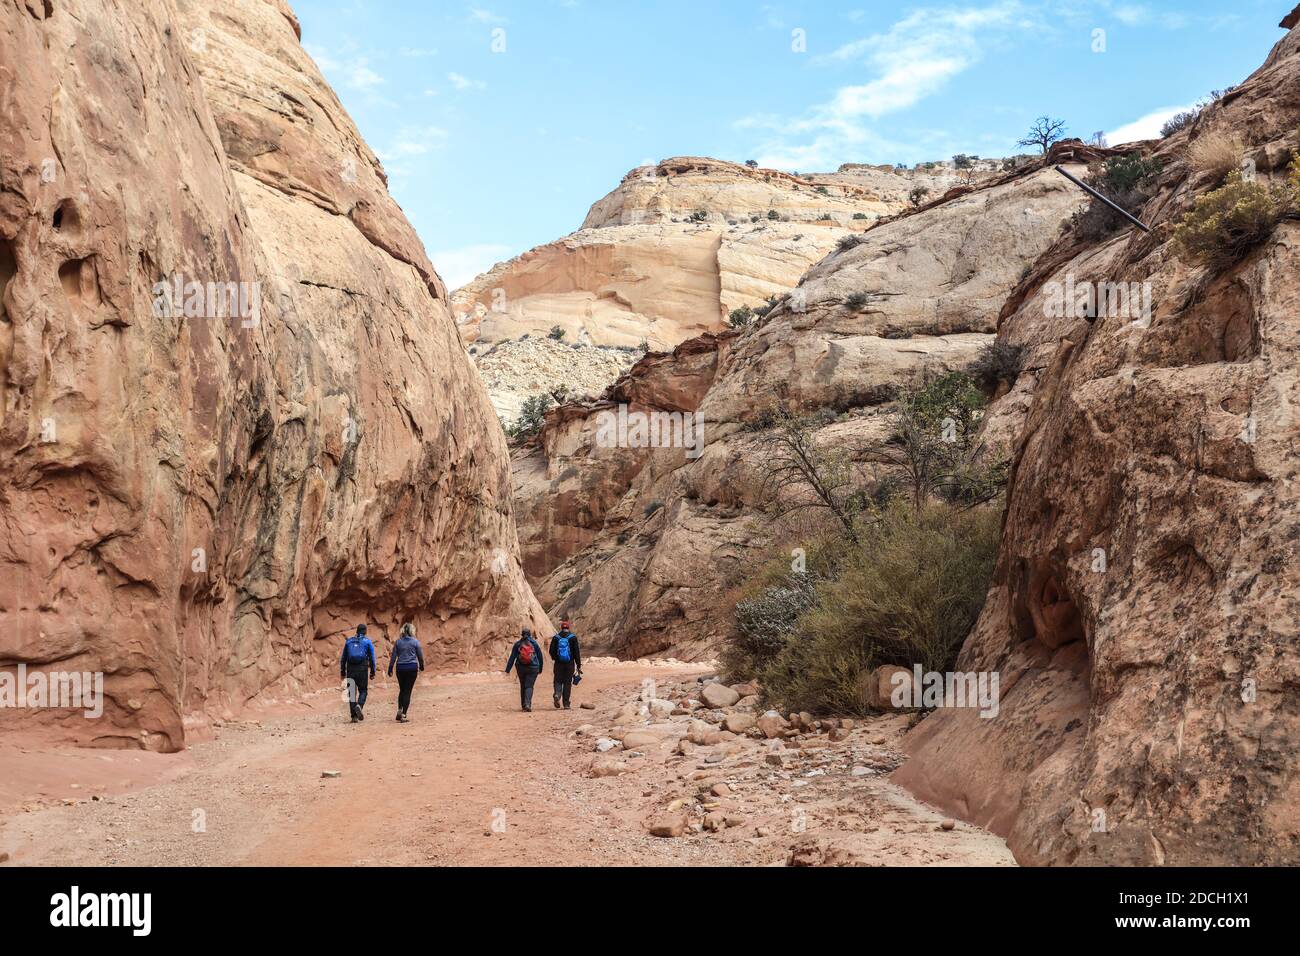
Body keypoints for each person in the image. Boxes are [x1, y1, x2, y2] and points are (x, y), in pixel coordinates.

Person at [387, 623, 425, 722]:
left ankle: (399, 709)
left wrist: (390, 668)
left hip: (400, 668)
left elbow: (393, 657)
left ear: (402, 631)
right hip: (412, 668)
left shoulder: (398, 642)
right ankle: (403, 715)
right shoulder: (415, 642)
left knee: (402, 689)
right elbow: (420, 656)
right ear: (412, 631)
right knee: (408, 691)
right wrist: (421, 666)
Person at [340, 624, 376, 722]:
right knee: (363, 690)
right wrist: (373, 671)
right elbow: (372, 658)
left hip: (351, 669)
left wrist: (342, 671)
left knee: (352, 693)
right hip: (362, 669)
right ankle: (359, 705)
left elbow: (343, 658)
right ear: (365, 632)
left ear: (357, 631)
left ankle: (354, 717)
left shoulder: (349, 641)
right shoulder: (367, 642)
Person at [505, 628, 544, 712]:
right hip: (533, 667)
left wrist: (508, 669)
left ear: (522, 635)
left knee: (523, 685)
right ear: (530, 634)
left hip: (521, 667)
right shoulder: (534, 643)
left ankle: (523, 706)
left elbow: (512, 657)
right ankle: (528, 704)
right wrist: (540, 668)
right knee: (529, 686)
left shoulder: (518, 644)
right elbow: (540, 657)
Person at [548, 620, 582, 710]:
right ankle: (566, 704)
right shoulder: (573, 637)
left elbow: (551, 651)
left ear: (561, 628)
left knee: (558, 680)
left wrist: (556, 658)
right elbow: (576, 653)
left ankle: (557, 694)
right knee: (567, 683)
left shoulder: (556, 637)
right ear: (568, 628)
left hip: (558, 664)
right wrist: (578, 665)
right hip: (569, 664)